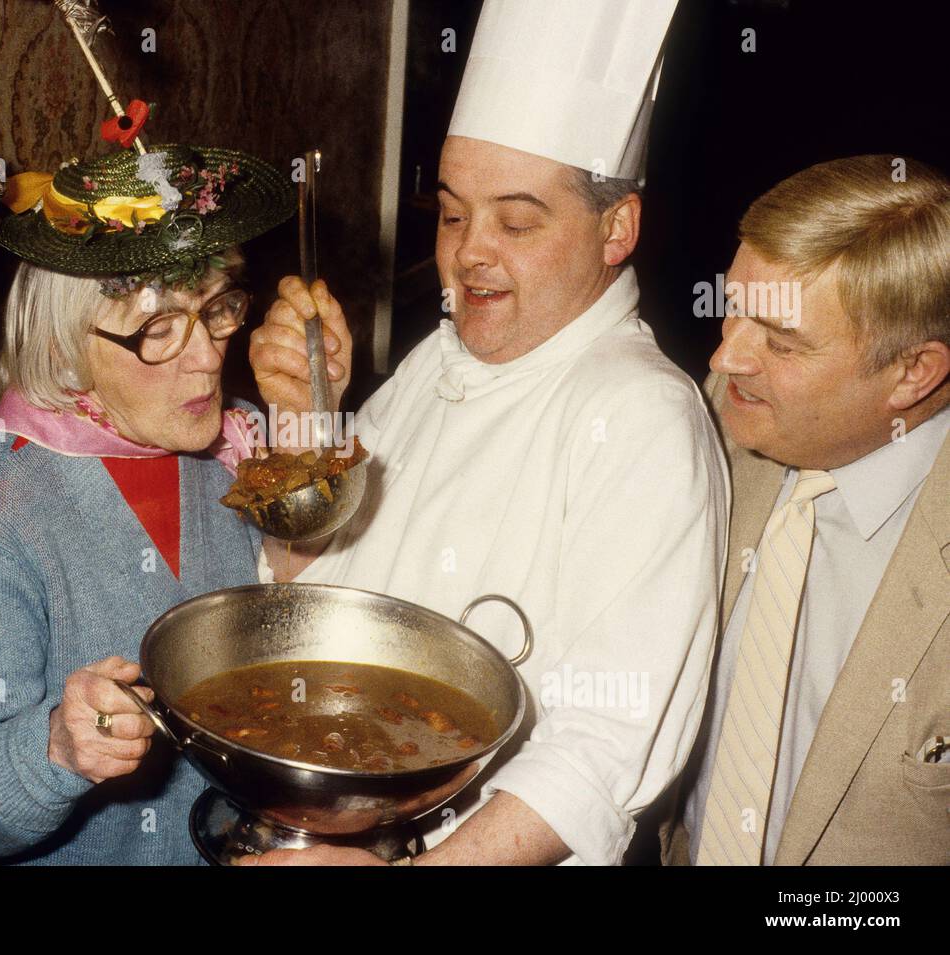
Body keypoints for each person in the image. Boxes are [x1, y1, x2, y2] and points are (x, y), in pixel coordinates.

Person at [246, 0, 730, 866]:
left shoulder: (643, 418)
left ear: (617, 227)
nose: (470, 254)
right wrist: (304, 421)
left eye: (516, 221)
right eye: (454, 213)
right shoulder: (436, 362)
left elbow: (600, 751)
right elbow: (305, 600)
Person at [0, 140, 292, 864]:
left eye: (217, 309)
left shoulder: (228, 439)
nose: (210, 357)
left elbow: (288, 605)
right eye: (159, 330)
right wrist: (57, 745)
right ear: (67, 345)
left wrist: (313, 409)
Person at [660, 155, 950, 866]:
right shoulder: (718, 421)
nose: (727, 358)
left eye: (782, 344)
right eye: (732, 311)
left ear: (914, 372)